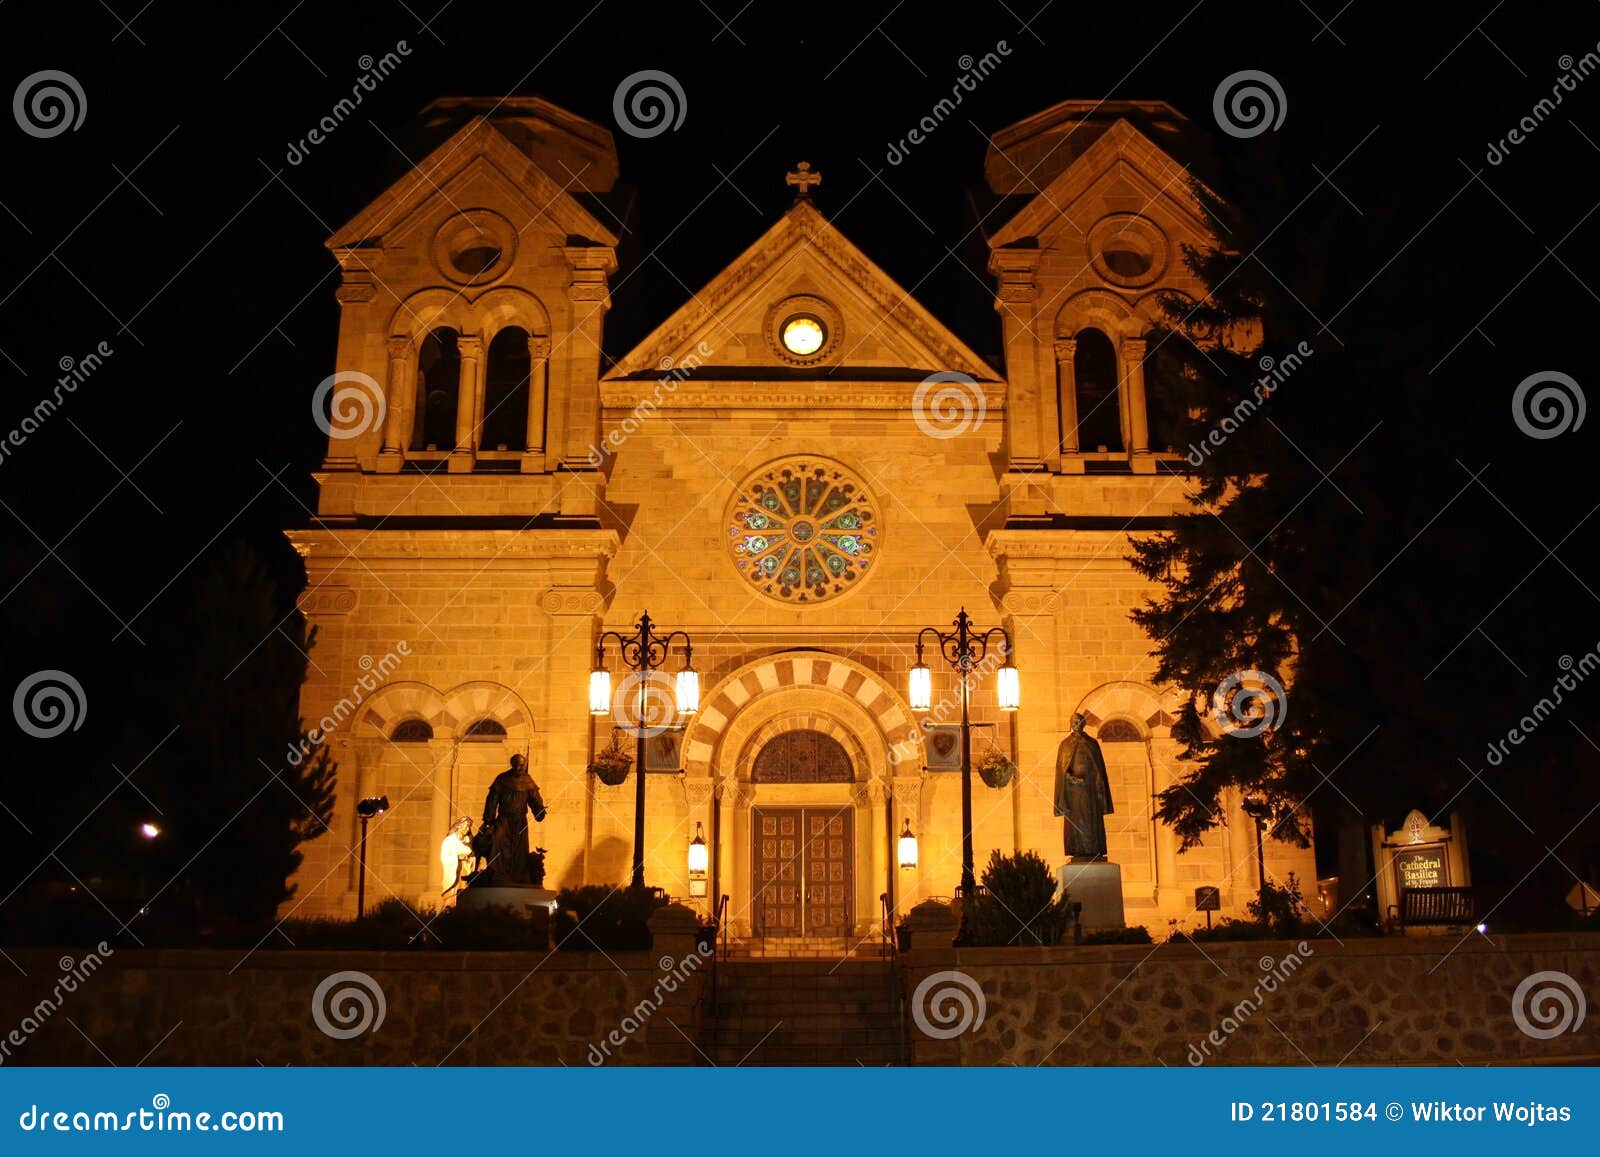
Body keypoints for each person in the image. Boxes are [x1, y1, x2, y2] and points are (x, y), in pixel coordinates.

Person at [479, 754, 547, 885]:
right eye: (519, 765)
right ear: (512, 764)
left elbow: (535, 799)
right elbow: (492, 800)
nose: (521, 768)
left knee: (519, 850)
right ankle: (497, 875)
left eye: (523, 765)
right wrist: (489, 819)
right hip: (504, 819)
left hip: (520, 819)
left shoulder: (528, 781)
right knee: (498, 843)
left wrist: (539, 811)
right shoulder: (502, 779)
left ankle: (518, 877)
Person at [1053, 713, 1113, 861]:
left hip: (1091, 789)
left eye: (1079, 721)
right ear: (1070, 724)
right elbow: (1062, 771)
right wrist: (1071, 779)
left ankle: (1094, 849)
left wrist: (1097, 783)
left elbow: (1099, 768)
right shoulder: (1065, 744)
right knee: (1076, 821)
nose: (1076, 724)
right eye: (1073, 722)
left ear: (1083, 723)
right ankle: (1078, 850)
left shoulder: (1092, 743)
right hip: (1073, 792)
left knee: (1092, 820)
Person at [439, 817, 475, 897]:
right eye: (466, 825)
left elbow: (471, 854)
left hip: (463, 872)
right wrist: (459, 857)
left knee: (463, 894)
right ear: (459, 826)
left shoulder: (467, 841)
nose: (467, 828)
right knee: (452, 895)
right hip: (453, 873)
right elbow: (446, 855)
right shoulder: (450, 840)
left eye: (469, 826)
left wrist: (469, 858)